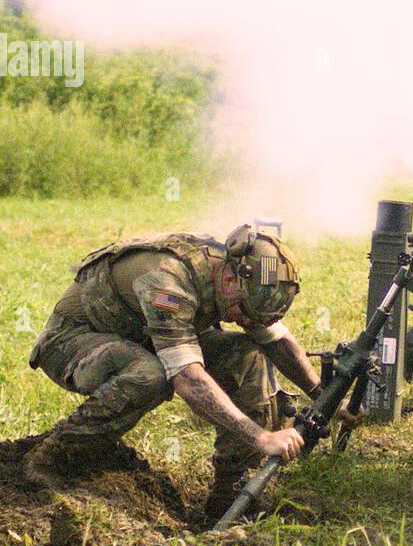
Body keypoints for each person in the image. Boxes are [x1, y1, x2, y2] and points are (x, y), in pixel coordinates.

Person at [24, 223, 356, 521]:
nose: (244, 320)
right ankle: (60, 452)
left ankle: (230, 494)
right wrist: (262, 436)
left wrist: (325, 397)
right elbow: (185, 377)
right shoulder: (167, 285)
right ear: (229, 279)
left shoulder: (242, 278)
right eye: (243, 311)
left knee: (248, 355)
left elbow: (276, 340)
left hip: (145, 336)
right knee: (151, 375)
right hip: (74, 341)